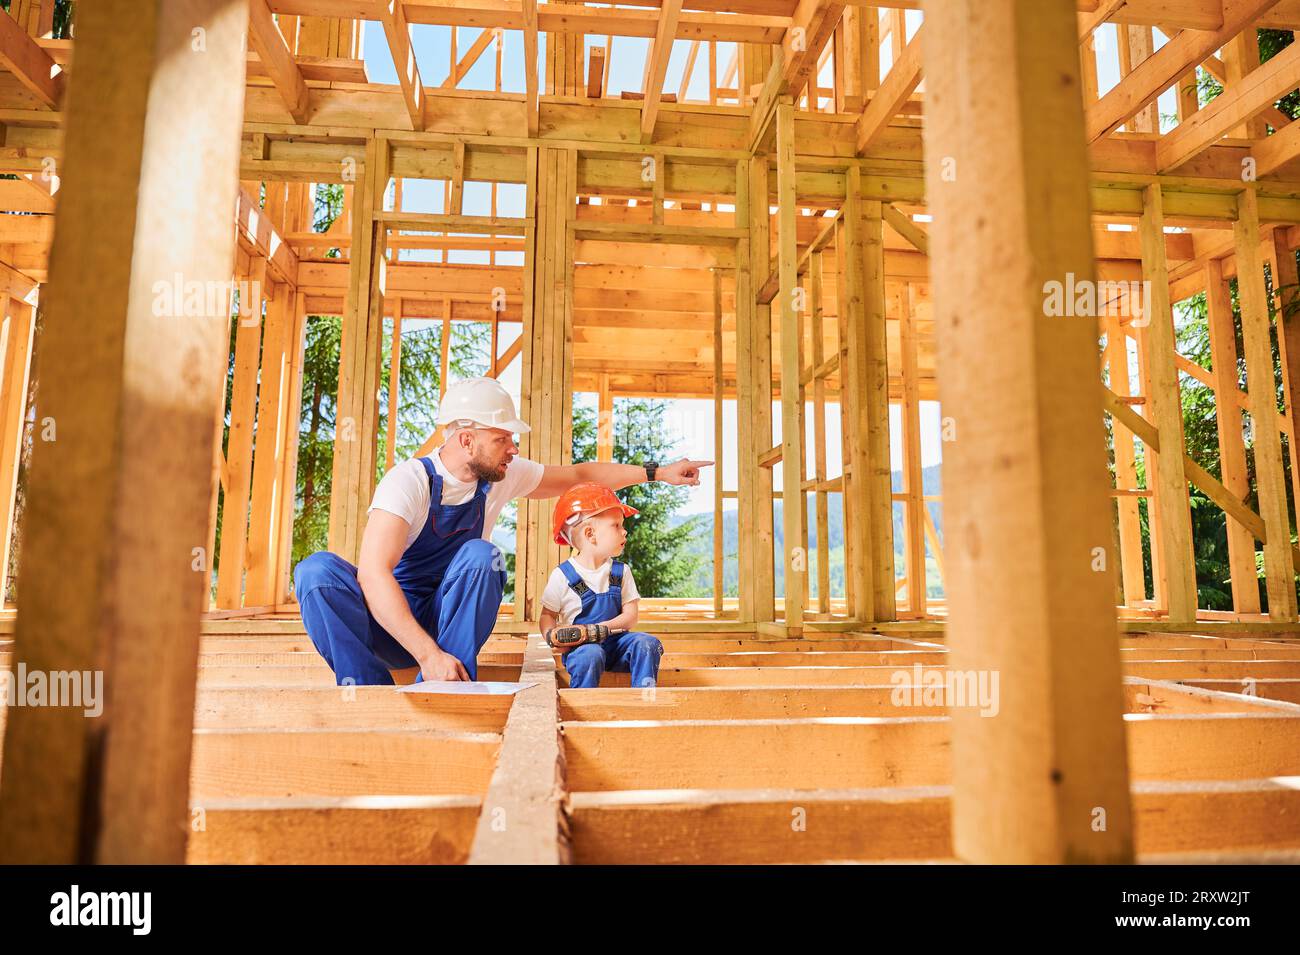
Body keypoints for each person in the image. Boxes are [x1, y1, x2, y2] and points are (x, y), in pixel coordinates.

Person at [293, 376, 710, 685]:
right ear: (467, 440)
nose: (513, 448)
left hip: (447, 624)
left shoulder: (500, 476)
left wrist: (658, 472)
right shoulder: (408, 482)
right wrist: (425, 653)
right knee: (316, 571)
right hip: (391, 628)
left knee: (482, 555)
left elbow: (579, 475)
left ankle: (448, 684)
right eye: (502, 438)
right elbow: (372, 575)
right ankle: (366, 690)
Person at [540, 483, 663, 689]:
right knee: (591, 654)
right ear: (590, 534)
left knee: (647, 644)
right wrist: (552, 637)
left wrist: (597, 630)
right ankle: (584, 707)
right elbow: (547, 615)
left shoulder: (620, 572)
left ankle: (644, 700)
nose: (625, 532)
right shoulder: (562, 576)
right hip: (583, 650)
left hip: (617, 645)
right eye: (616, 525)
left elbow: (631, 617)